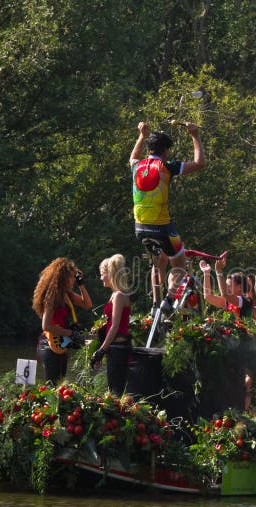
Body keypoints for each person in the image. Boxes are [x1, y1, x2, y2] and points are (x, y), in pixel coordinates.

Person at [129, 121, 206, 277]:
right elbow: (200, 163)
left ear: (148, 149)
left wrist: (142, 136)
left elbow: (133, 157)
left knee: (158, 263)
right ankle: (171, 293)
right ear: (165, 150)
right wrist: (195, 136)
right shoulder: (167, 166)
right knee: (179, 264)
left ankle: (156, 293)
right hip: (162, 228)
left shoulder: (137, 166)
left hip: (140, 228)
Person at [32, 258, 92, 385]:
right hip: (48, 344)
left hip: (61, 343)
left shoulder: (67, 294)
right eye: (71, 277)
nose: (73, 280)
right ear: (63, 277)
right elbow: (46, 325)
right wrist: (70, 333)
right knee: (52, 386)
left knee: (60, 385)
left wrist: (81, 284)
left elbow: (87, 304)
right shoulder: (52, 296)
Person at [90, 254, 132, 396]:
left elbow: (115, 326)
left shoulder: (119, 295)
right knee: (112, 390)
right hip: (113, 348)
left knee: (115, 393)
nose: (101, 278)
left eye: (102, 274)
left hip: (119, 348)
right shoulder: (114, 295)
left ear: (111, 274)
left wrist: (101, 350)